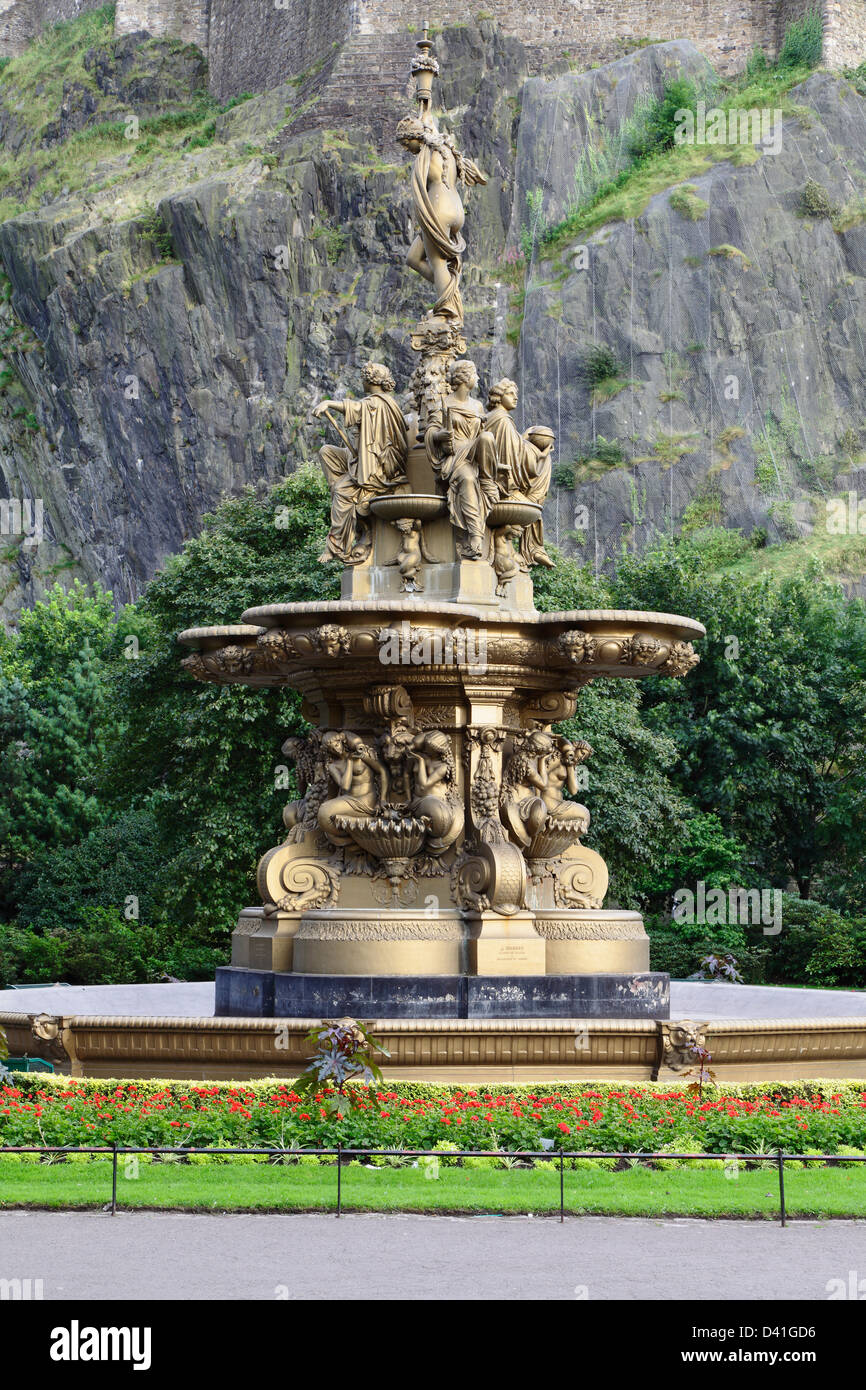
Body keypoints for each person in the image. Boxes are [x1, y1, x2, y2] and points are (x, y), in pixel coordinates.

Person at [313, 362, 408, 564]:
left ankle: (336, 545)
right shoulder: (377, 402)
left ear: (370, 380)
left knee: (342, 491)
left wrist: (328, 403)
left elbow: (356, 408)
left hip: (376, 467)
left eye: (363, 378)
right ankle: (345, 493)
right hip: (361, 457)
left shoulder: (378, 403)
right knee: (327, 452)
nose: (361, 382)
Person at [396, 115, 486, 324]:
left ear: (416, 137)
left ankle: (447, 311)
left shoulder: (427, 153)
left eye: (406, 143)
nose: (406, 148)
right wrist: (425, 111)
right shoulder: (444, 148)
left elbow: (425, 131)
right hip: (455, 209)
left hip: (438, 209)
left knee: (438, 263)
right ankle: (450, 294)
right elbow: (430, 126)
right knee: (413, 258)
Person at [425, 359, 498, 558]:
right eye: (475, 374)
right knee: (467, 479)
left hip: (474, 453)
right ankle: (475, 535)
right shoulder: (443, 404)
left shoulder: (477, 406)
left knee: (487, 436)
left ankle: (487, 479)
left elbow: (483, 439)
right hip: (455, 456)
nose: (478, 378)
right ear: (465, 378)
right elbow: (430, 432)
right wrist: (440, 435)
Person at [485, 378, 555, 568]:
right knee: (533, 500)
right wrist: (540, 454)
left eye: (516, 394)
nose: (515, 398)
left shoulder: (492, 418)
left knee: (532, 505)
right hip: (504, 485)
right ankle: (533, 549)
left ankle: (534, 549)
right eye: (510, 394)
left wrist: (522, 439)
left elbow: (513, 447)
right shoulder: (503, 420)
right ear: (499, 397)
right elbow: (511, 456)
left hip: (493, 479)